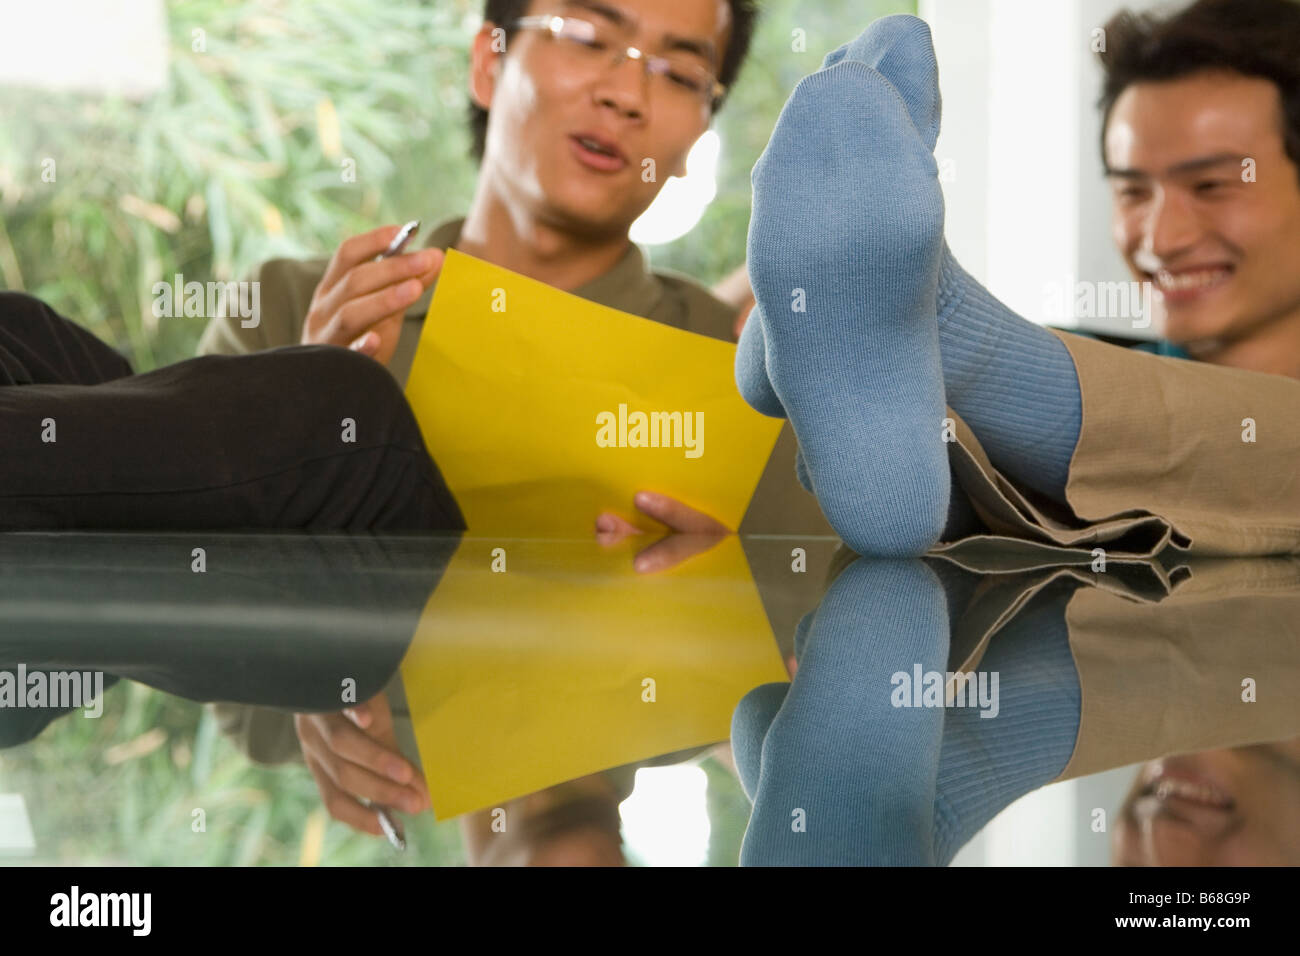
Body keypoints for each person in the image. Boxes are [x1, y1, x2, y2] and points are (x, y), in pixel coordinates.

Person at [197, 0, 838, 857]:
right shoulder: (286, 319)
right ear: (488, 64)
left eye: (681, 72)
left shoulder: (756, 390)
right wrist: (304, 422)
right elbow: (167, 577)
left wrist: (732, 589)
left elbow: (874, 606)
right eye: (589, 36)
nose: (627, 92)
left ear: (696, 144)